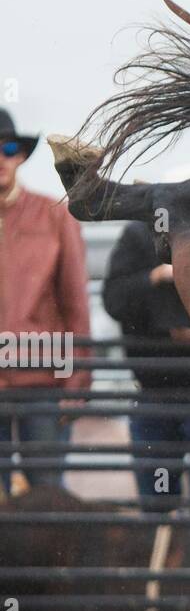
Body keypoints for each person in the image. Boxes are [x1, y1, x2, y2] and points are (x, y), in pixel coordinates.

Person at [102, 220, 190, 508]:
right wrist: (154, 279)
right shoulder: (139, 238)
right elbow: (114, 300)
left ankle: (182, 545)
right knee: (162, 493)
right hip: (165, 386)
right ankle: (170, 544)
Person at [0, 108, 90, 491]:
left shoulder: (55, 216)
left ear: (19, 155)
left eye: (6, 148)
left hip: (44, 381)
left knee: (46, 494)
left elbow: (76, 302)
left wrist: (78, 380)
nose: (1, 158)